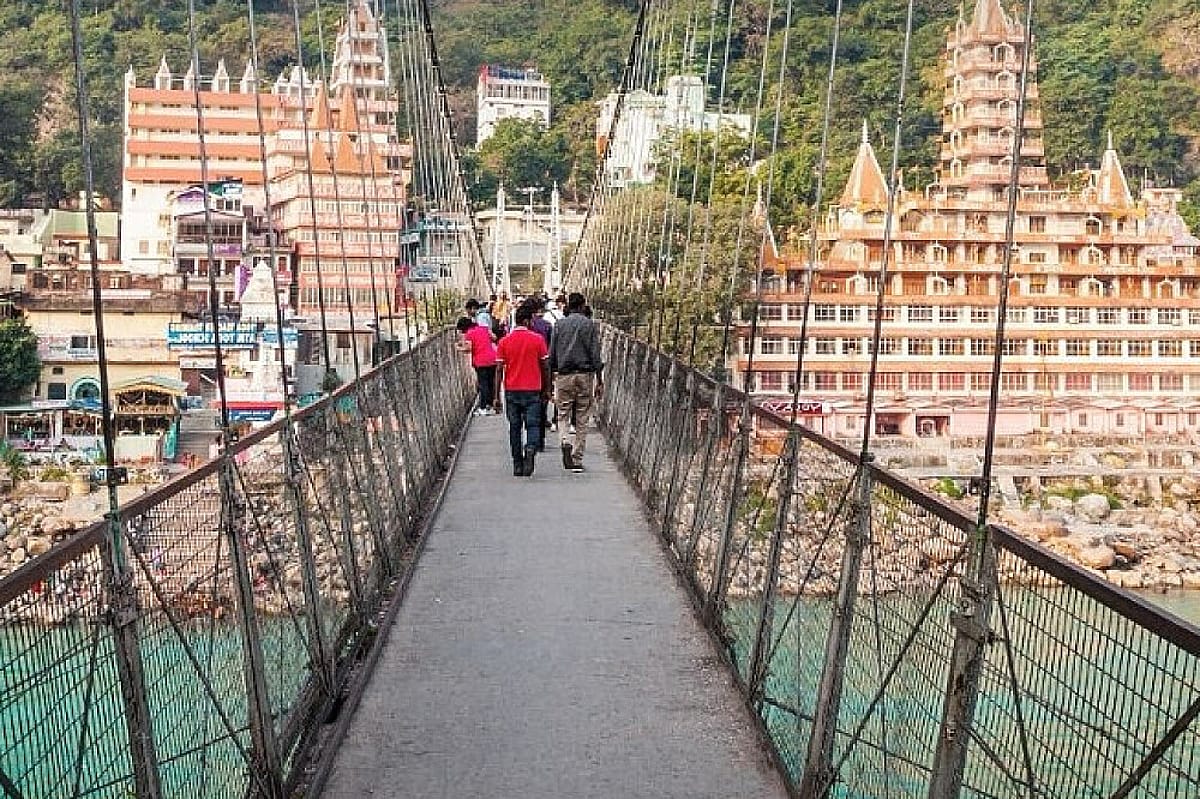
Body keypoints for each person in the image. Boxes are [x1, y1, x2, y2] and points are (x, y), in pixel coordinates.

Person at [549, 292, 604, 473]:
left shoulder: (558, 325)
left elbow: (552, 353)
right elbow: (595, 354)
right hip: (584, 375)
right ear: (582, 306)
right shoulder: (588, 325)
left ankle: (564, 440)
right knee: (582, 418)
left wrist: (551, 378)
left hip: (563, 375)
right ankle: (576, 458)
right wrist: (600, 379)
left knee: (563, 414)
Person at [494, 304, 551, 477]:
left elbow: (498, 370)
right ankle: (531, 447)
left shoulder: (504, 342)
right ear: (526, 321)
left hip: (511, 391)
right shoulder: (538, 340)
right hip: (533, 390)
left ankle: (517, 465)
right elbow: (545, 366)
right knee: (533, 424)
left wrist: (496, 396)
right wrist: (547, 388)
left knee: (515, 427)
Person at [456, 316, 498, 415]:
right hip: (492, 358)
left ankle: (483, 407)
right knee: (491, 383)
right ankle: (492, 405)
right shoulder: (484, 328)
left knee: (483, 384)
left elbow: (469, 348)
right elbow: (494, 337)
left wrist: (458, 348)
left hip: (480, 361)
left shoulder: (469, 334)